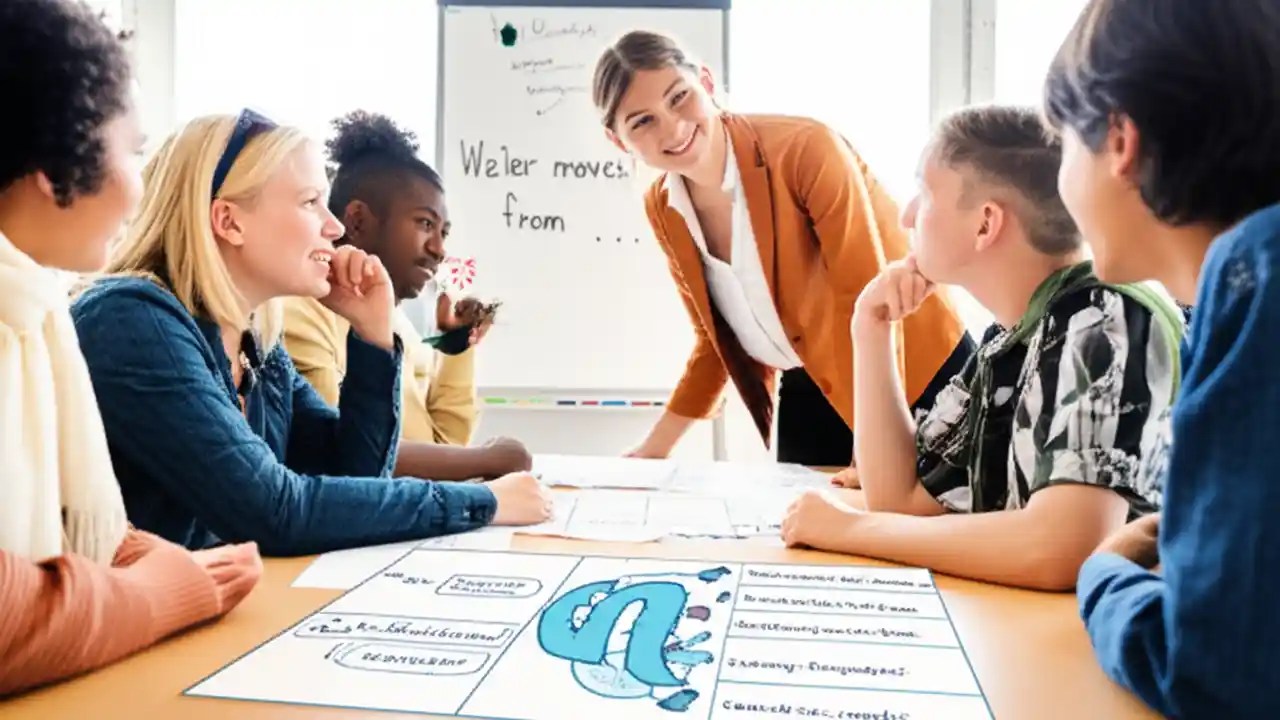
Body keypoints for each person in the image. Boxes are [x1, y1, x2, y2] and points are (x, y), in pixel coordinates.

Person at [71, 110, 552, 556]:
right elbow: (274, 512)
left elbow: (356, 476)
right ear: (229, 221)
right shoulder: (132, 322)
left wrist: (372, 337)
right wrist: (482, 502)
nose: (335, 226)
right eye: (310, 203)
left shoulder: (257, 345)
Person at [781, 105, 1184, 591]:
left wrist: (850, 529)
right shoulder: (1013, 334)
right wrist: (869, 330)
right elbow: (902, 498)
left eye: (925, 194)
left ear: (985, 224)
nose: (908, 215)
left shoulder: (1101, 320)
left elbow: (1064, 549)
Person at [0, 0, 259, 695]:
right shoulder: (118, 315)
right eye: (132, 151)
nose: (139, 186)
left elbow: (69, 524)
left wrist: (156, 560)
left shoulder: (34, 311)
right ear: (56, 172)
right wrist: (158, 593)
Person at [1044, 0, 1280, 715]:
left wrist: (1105, 574)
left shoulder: (1256, 271)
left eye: (1061, 144)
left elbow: (1214, 672)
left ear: (1120, 138)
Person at [592, 30, 974, 468]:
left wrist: (870, 455)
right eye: (642, 121)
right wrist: (651, 453)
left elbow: (869, 300)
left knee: (910, 527)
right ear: (620, 141)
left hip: (914, 369)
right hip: (811, 383)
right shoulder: (663, 205)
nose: (673, 126)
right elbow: (715, 342)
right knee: (801, 531)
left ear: (707, 83)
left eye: (678, 97)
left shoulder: (804, 149)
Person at [283, 110, 531, 481]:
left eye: (444, 232)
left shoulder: (399, 326)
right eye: (425, 224)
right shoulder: (300, 312)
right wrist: (488, 460)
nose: (439, 249)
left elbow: (444, 444)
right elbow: (347, 456)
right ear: (358, 221)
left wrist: (455, 346)